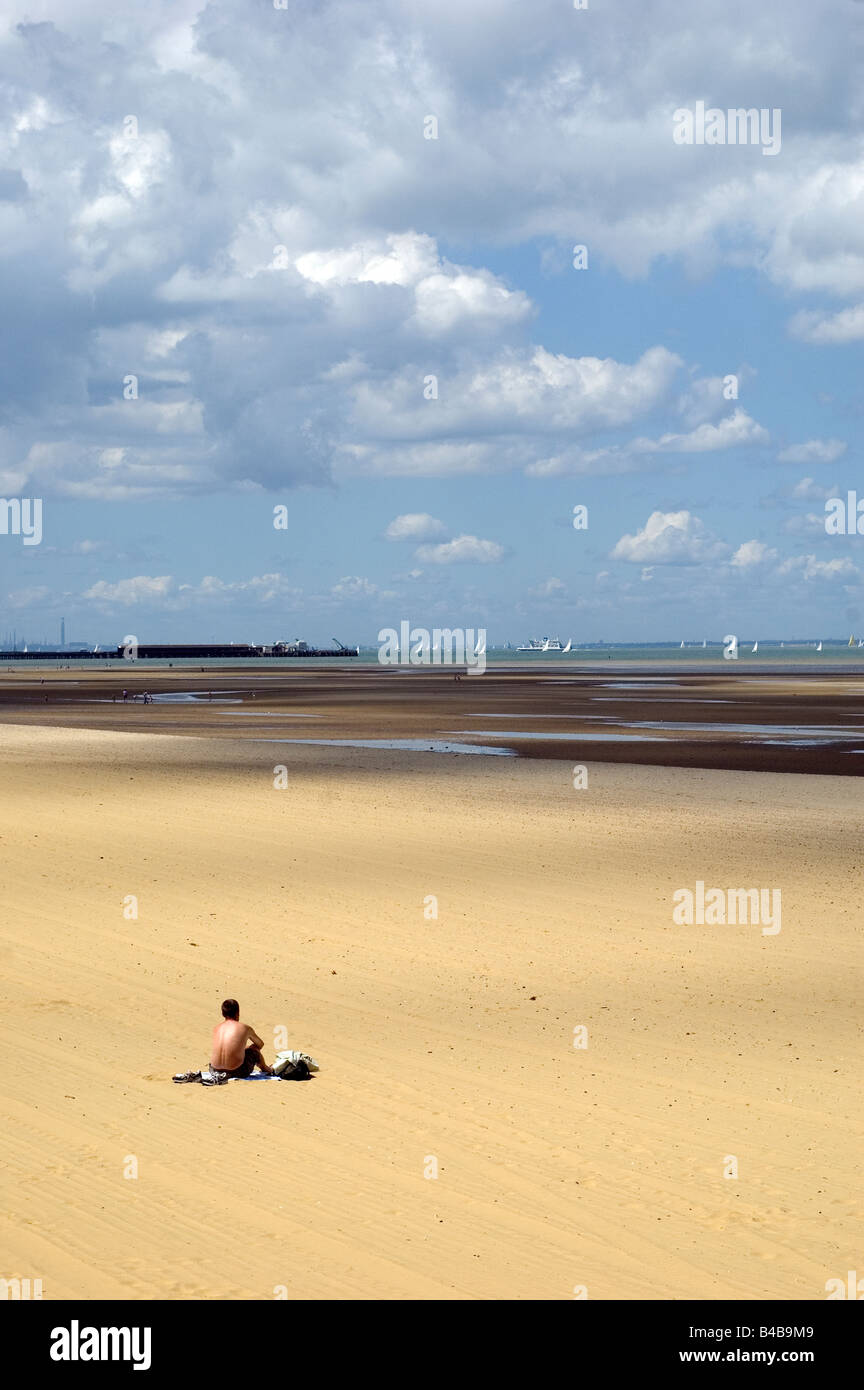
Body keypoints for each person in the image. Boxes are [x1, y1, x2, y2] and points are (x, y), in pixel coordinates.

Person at [210, 999, 273, 1077]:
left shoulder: (217, 1028)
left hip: (214, 1070)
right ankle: (266, 1068)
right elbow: (260, 1044)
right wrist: (246, 1048)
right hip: (236, 1071)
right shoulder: (245, 1028)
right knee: (254, 1050)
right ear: (237, 1013)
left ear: (223, 1013)